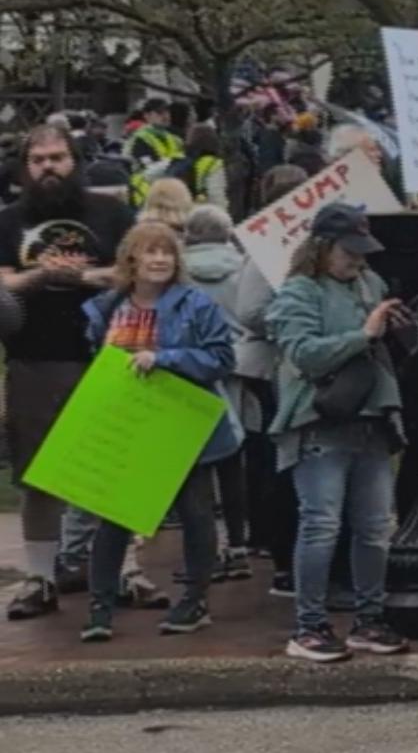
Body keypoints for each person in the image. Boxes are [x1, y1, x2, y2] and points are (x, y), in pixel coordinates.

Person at [78, 222, 243, 641]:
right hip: (131, 425)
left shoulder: (196, 305)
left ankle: (195, 601)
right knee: (115, 519)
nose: (159, 260)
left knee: (196, 513)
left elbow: (222, 358)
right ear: (131, 259)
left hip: (183, 424)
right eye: (149, 252)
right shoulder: (106, 307)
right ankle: (100, 607)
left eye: (167, 252)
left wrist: (167, 358)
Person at [264, 204, 412, 662]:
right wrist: (364, 335)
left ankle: (369, 619)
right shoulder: (297, 292)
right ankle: (309, 626)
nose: (358, 260)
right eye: (349, 251)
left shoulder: (372, 284)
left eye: (362, 251)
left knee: (374, 527)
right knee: (321, 525)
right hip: (320, 424)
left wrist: (403, 332)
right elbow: (305, 355)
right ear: (323, 247)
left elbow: (387, 349)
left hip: (372, 421)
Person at [0, 124, 136, 619]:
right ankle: (39, 579)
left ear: (75, 161)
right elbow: (3, 281)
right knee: (38, 477)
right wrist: (39, 276)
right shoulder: (8, 222)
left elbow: (139, 269)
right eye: (38, 160)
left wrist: (84, 276)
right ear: (24, 169)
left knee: (113, 469)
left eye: (57, 157)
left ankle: (126, 572)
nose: (48, 167)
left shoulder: (111, 213)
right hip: (34, 359)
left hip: (108, 356)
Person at [181, 205, 260, 582]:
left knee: (194, 466)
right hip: (235, 369)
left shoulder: (176, 273)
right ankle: (238, 544)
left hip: (190, 372)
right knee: (233, 458)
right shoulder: (244, 266)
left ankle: (203, 552)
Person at [178, 123, 228, 208]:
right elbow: (217, 198)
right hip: (200, 214)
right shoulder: (213, 163)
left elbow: (149, 174)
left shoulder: (177, 158)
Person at [126, 98, 184, 171]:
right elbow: (146, 166)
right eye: (160, 112)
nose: (166, 116)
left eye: (167, 112)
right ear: (147, 115)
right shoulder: (139, 139)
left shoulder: (175, 138)